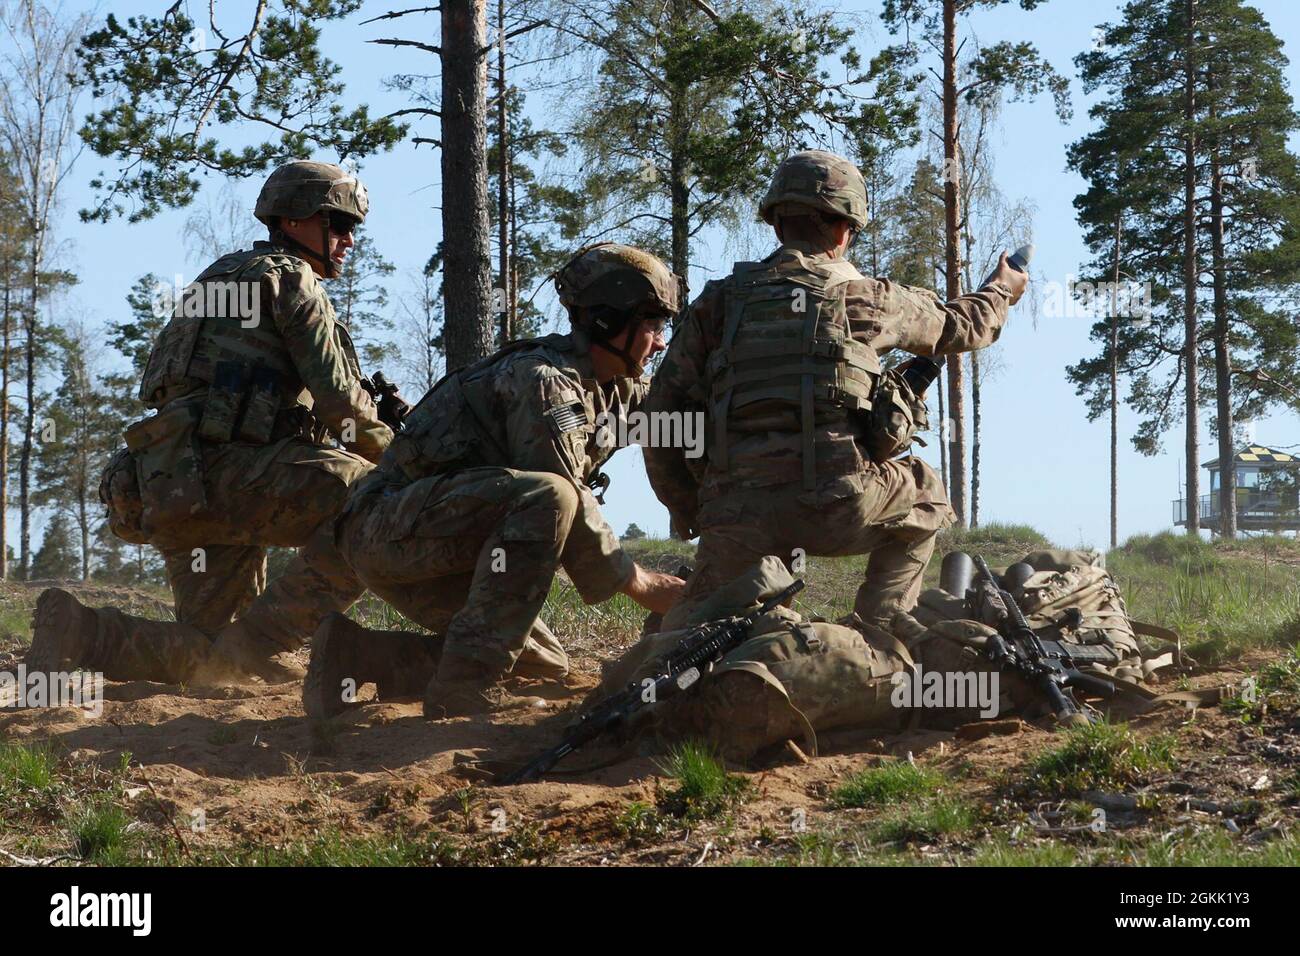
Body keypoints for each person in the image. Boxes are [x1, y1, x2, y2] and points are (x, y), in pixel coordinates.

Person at [29, 161, 397, 684]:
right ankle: (268, 636)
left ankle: (82, 633)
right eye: (338, 224)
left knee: (213, 658)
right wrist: (405, 463)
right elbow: (344, 408)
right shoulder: (292, 279)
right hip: (239, 476)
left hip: (169, 486)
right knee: (376, 499)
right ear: (293, 221)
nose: (349, 240)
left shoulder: (211, 281)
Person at [643, 149, 1027, 633]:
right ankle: (882, 625)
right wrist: (1001, 288)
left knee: (687, 641)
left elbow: (660, 416)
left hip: (737, 515)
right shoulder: (869, 298)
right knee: (926, 491)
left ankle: (761, 624)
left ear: (777, 222)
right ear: (845, 228)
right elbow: (964, 325)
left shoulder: (717, 304)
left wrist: (688, 506)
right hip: (840, 504)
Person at [303, 243, 686, 719]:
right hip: (388, 530)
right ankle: (464, 689)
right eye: (651, 326)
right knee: (552, 495)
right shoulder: (544, 381)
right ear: (609, 321)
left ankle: (357, 657)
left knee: (541, 667)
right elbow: (564, 496)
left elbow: (681, 415)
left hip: (437, 542)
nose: (660, 342)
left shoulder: (609, 386)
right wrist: (643, 584)